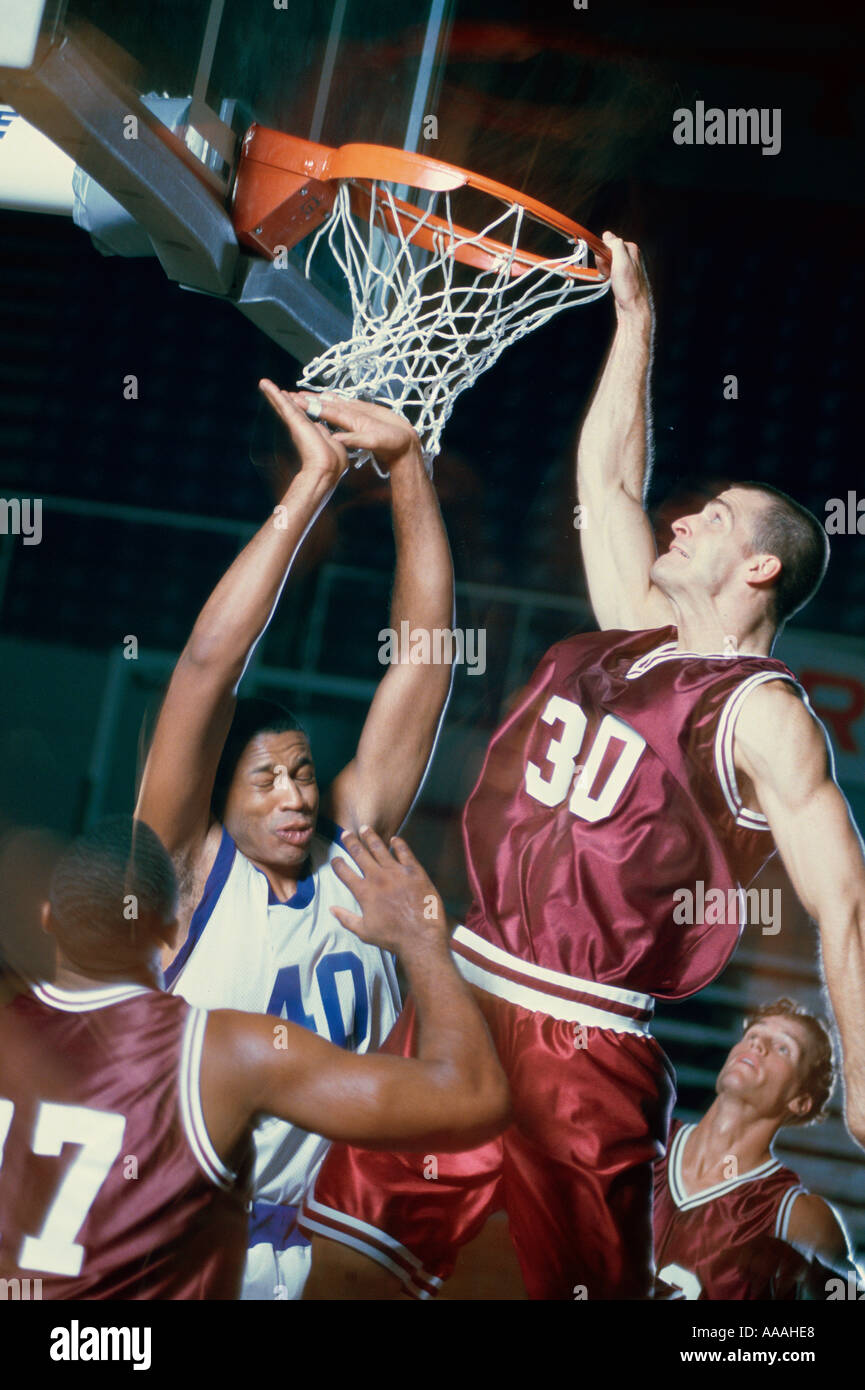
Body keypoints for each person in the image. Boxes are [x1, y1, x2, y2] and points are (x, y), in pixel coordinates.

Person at [297, 233, 865, 1302]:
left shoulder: (762, 713)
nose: (681, 515)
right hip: (459, 981)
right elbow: (606, 479)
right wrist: (634, 324)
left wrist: (864, 1075)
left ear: (759, 566)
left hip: (583, 1037)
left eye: (714, 517)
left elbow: (846, 902)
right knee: (347, 1269)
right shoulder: (633, 630)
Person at [135, 384, 455, 1298]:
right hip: (168, 1242)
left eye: (305, 772)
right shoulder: (187, 872)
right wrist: (312, 484)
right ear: (216, 796)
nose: (295, 796)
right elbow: (205, 669)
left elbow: (425, 657)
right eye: (265, 779)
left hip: (302, 1252)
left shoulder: (357, 860)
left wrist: (407, 471)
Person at [0, 816, 508, 1299]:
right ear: (168, 928)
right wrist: (422, 941)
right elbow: (472, 1096)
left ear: (48, 920)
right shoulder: (221, 1053)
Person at [654, 998, 856, 1300]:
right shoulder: (644, 1142)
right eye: (753, 1035)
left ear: (800, 1101)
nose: (758, 1046)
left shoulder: (797, 1218)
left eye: (783, 1048)